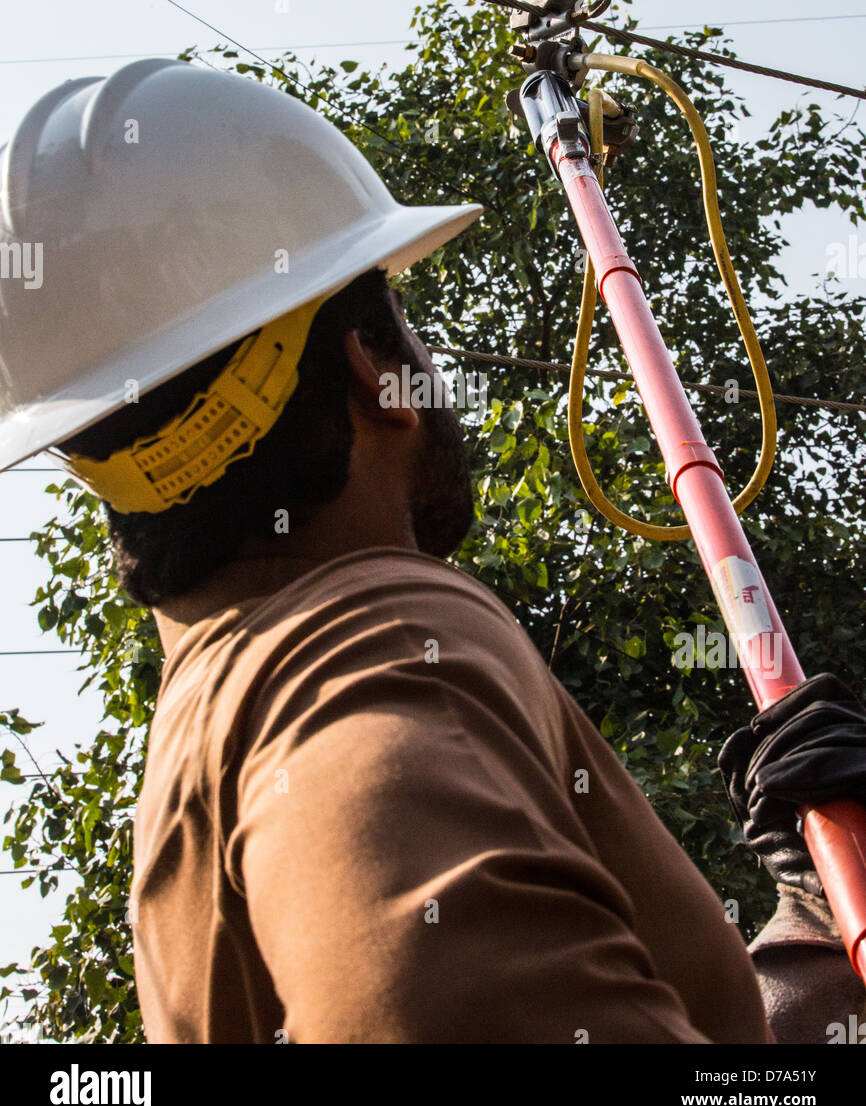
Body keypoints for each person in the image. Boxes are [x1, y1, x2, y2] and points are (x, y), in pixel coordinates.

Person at [2, 59, 864, 1043]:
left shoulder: (213, 719)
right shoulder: (369, 649)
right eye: (403, 318)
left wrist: (807, 936)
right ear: (371, 368)